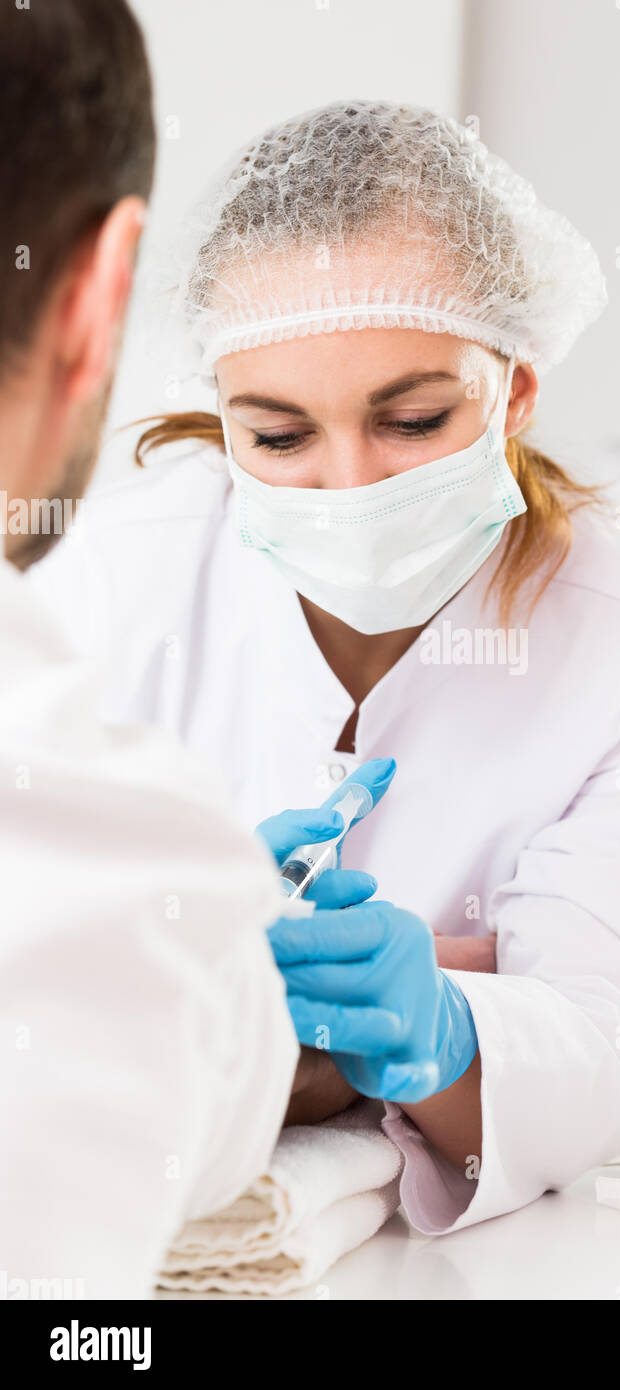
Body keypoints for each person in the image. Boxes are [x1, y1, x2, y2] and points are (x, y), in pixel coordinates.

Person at [33, 99, 620, 1234]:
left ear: (514, 392)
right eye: (280, 436)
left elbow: (603, 1047)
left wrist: (434, 1026)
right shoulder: (110, 573)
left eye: (410, 418)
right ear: (221, 413)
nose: (349, 484)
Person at [0, 0, 384, 1299]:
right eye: (275, 433)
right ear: (108, 290)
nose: (346, 484)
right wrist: (226, 946)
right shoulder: (115, 868)